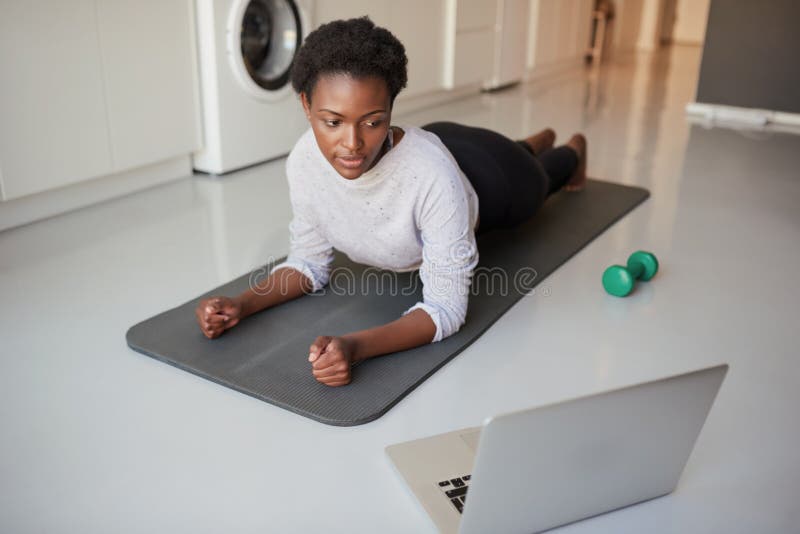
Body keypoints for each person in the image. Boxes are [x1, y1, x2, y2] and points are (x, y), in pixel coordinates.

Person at [195, 17, 587, 387]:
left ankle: (569, 149)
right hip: (447, 148)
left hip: (491, 177)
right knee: (516, 149)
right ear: (305, 106)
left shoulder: (433, 174)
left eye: (373, 121)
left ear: (391, 111)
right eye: (332, 122)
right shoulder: (303, 161)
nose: (352, 144)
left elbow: (446, 308)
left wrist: (357, 347)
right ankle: (535, 139)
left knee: (542, 179)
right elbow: (308, 263)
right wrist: (241, 305)